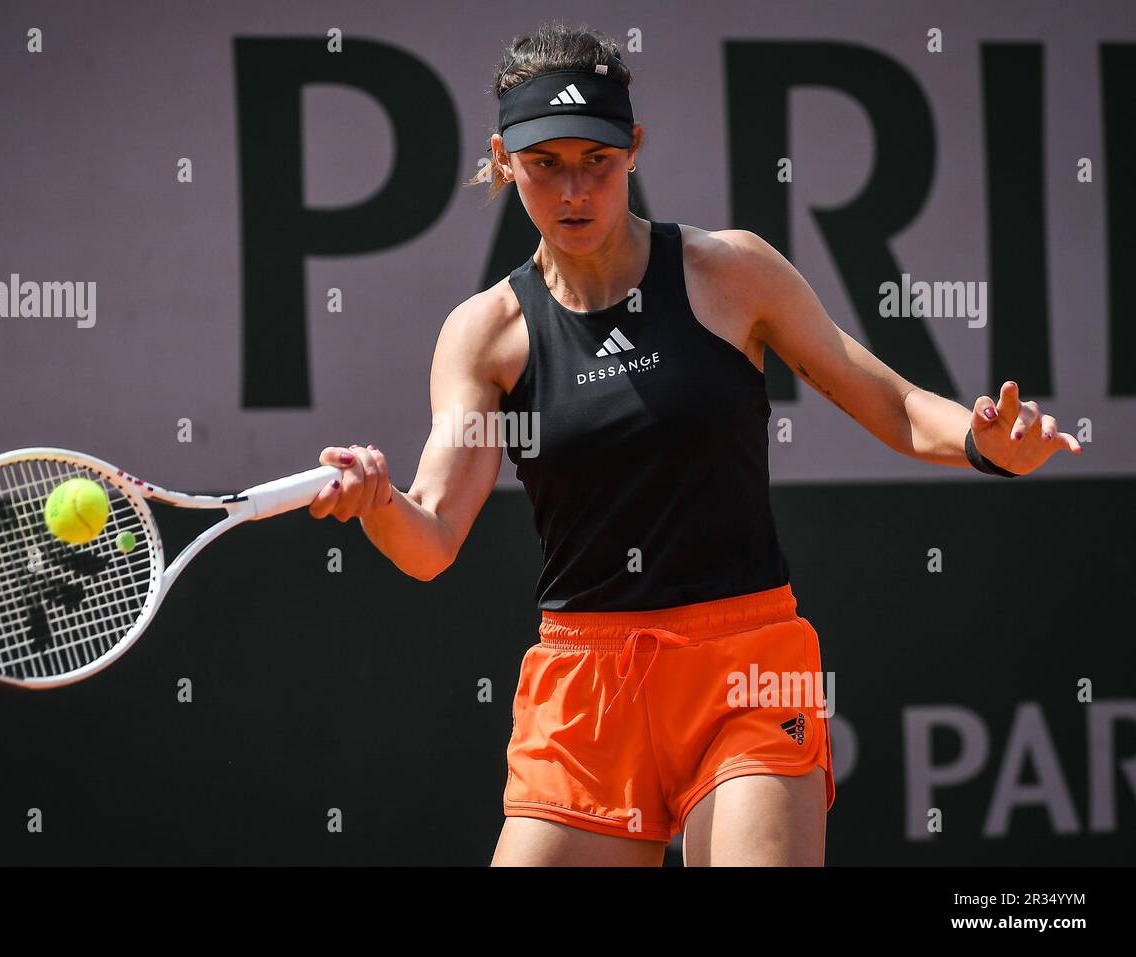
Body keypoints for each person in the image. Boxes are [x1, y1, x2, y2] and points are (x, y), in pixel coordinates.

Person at [307, 22, 1081, 866]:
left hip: (749, 671)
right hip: (585, 692)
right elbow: (431, 539)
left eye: (597, 161)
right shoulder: (484, 334)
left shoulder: (733, 272)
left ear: (633, 147)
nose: (574, 190)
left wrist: (980, 441)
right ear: (503, 159)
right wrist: (379, 501)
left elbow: (890, 403)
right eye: (545, 165)